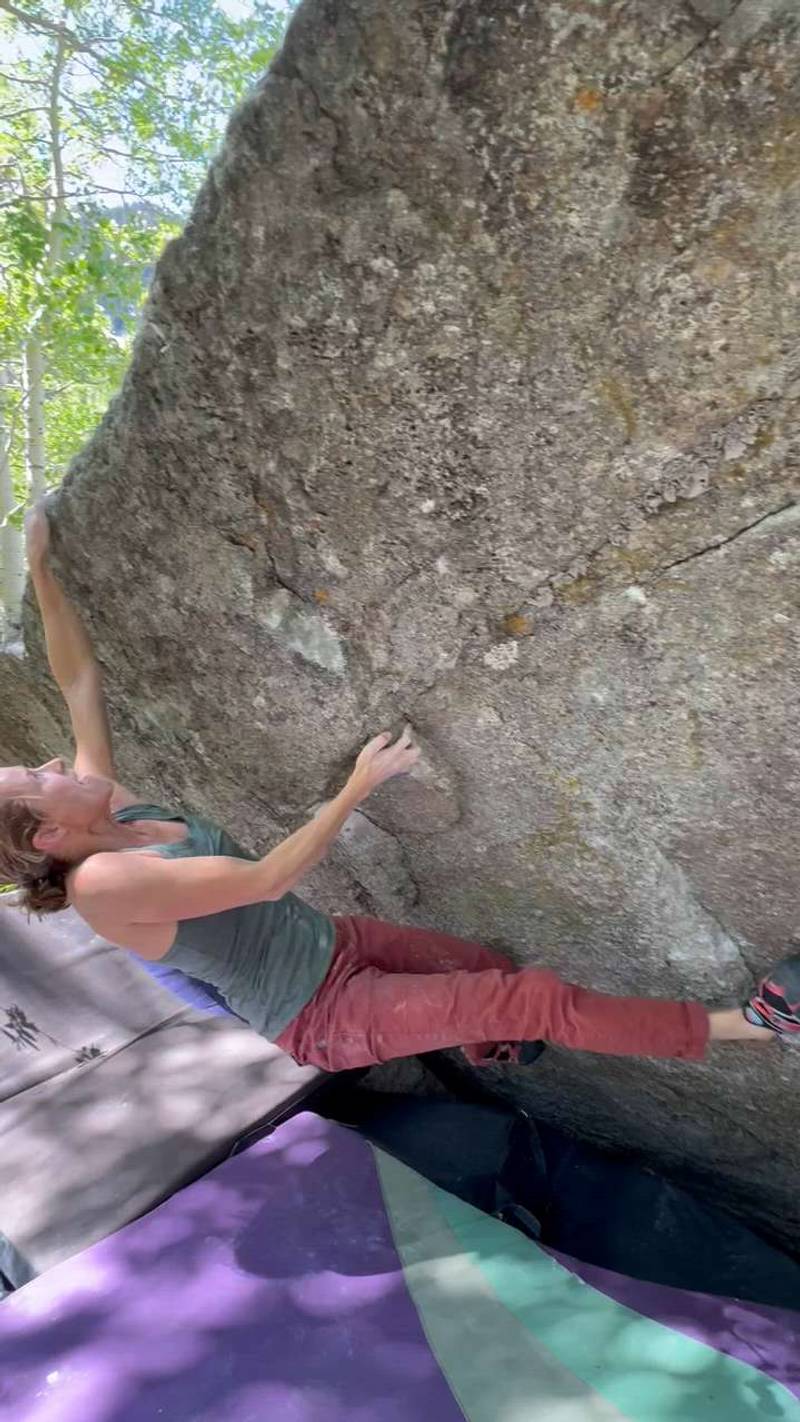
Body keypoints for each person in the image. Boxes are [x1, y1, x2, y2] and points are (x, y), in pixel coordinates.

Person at [1, 502, 796, 1074]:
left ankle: (492, 1042)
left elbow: (78, 683)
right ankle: (756, 1026)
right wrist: (359, 785)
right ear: (46, 837)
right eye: (37, 778)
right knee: (532, 996)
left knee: (484, 966)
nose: (53, 764)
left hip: (339, 944)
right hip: (320, 1014)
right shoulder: (102, 880)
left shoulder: (107, 806)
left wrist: (40, 568)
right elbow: (269, 878)